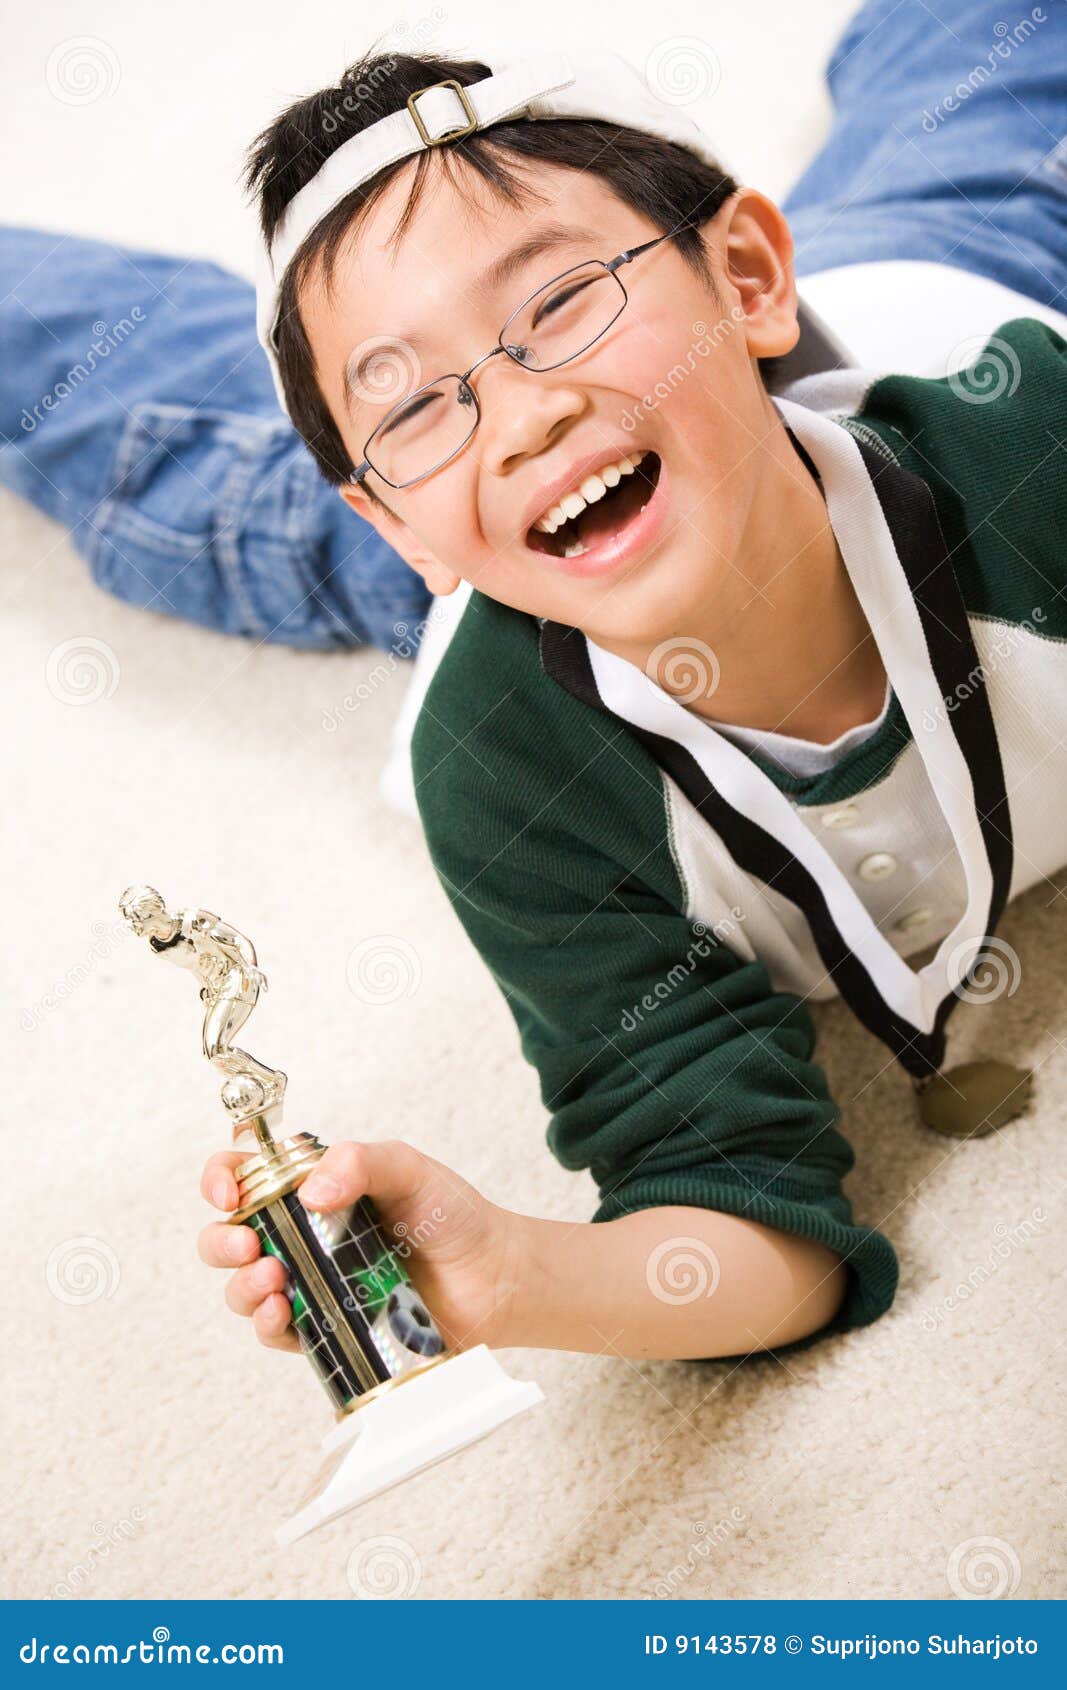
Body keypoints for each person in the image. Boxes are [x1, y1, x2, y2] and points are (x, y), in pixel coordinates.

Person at [4, 2, 1066, 1365]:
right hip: (551, 532)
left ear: (747, 282)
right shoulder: (506, 758)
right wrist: (508, 1274)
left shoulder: (1034, 450)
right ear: (391, 520)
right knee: (215, 462)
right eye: (415, 398)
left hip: (960, 268)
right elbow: (754, 1223)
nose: (519, 412)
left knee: (991, 65)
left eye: (559, 303)